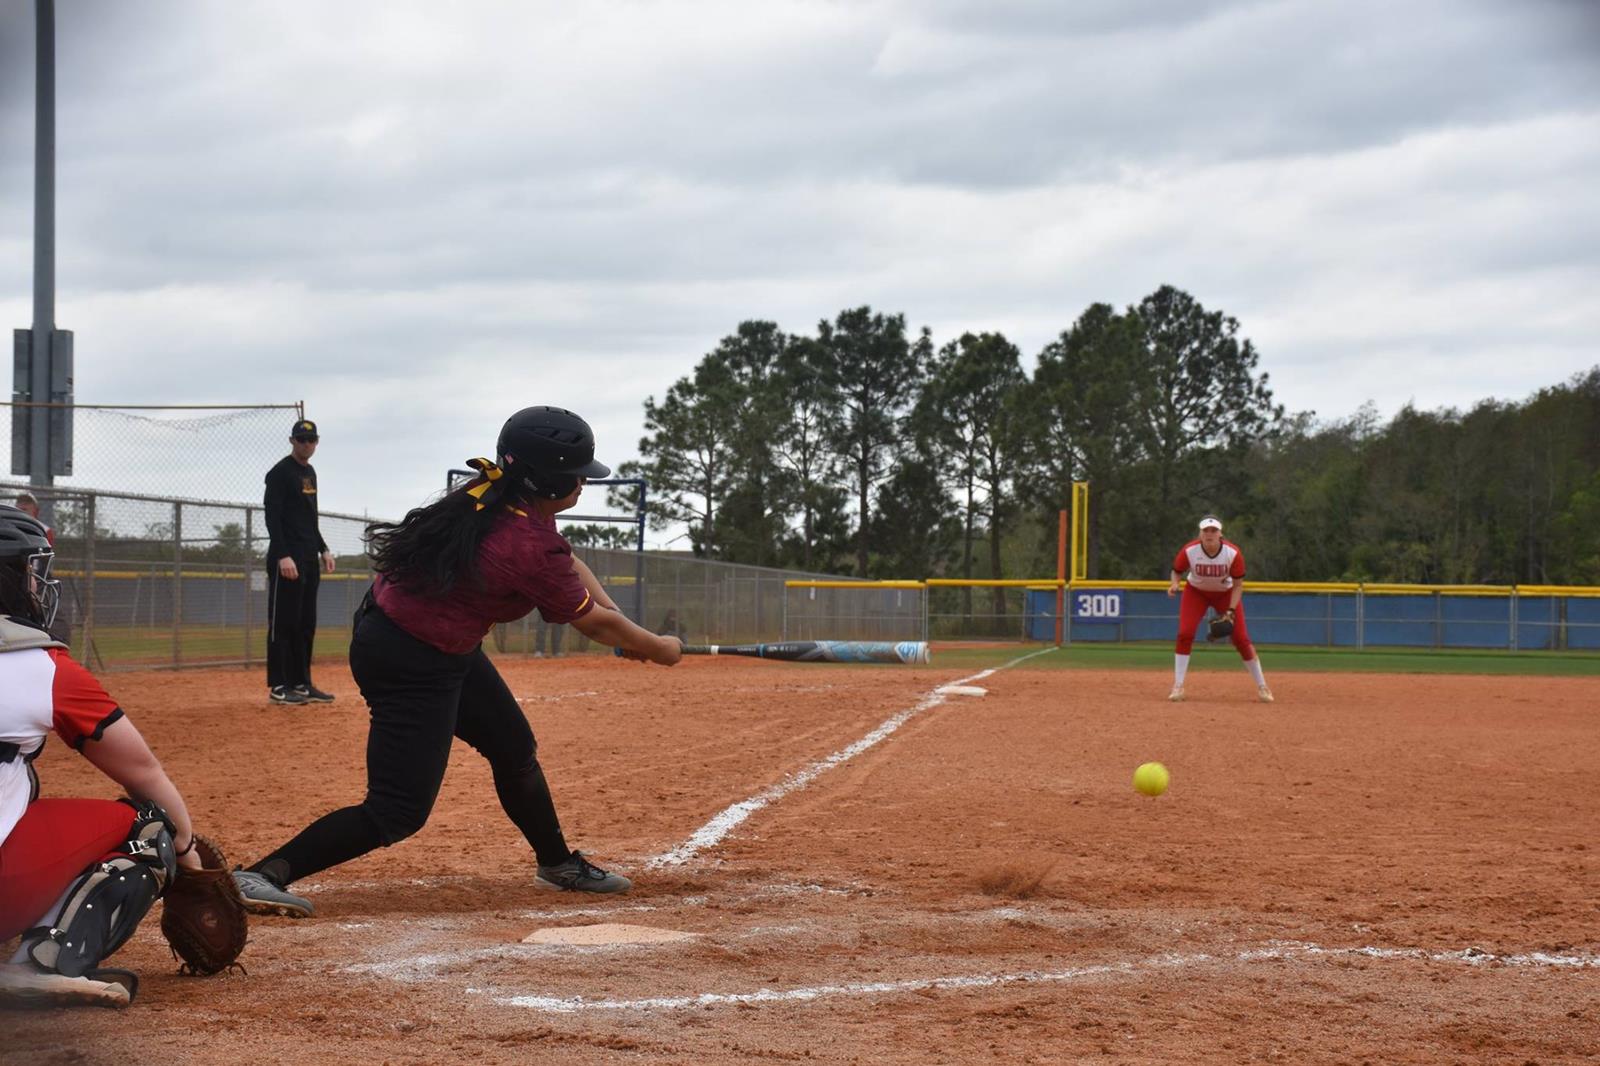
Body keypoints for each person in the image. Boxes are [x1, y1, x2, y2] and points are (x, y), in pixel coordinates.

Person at [231, 406, 682, 918]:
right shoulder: (523, 540)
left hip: (431, 640)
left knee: (514, 748)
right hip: (409, 656)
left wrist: (624, 622)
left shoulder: (500, 496)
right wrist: (658, 647)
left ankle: (557, 864)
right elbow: (592, 622)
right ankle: (261, 872)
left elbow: (571, 564)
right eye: (577, 475)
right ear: (550, 479)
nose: (582, 484)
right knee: (397, 809)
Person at [0, 505, 206, 1008]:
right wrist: (187, 854)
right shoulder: (39, 668)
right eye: (30, 571)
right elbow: (143, 771)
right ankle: (40, 962)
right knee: (147, 827)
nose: (37, 585)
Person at [264, 417, 337, 705]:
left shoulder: (310, 473)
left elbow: (310, 518)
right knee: (283, 623)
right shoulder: (280, 473)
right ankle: (279, 686)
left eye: (312, 440)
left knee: (305, 623)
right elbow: (273, 516)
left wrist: (324, 549)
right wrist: (283, 555)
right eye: (301, 439)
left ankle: (302, 683)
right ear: (292, 441)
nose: (307, 444)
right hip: (288, 559)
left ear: (316, 442)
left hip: (308, 558)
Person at [1166, 514, 1273, 703]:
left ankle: (1262, 686)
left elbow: (1238, 585)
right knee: (1185, 633)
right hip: (1196, 592)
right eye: (1205, 530)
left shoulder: (1232, 553)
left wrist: (1231, 611)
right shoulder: (1190, 550)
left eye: (1213, 530)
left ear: (1220, 533)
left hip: (1226, 593)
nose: (1209, 534)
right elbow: (1177, 570)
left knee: (1241, 638)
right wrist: (1175, 584)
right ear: (1200, 533)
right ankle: (1178, 686)